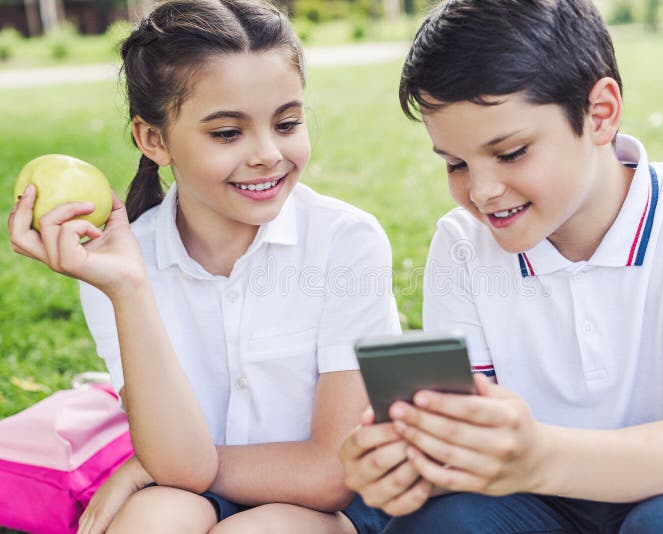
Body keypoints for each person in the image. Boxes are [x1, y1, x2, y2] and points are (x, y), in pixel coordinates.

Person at [338, 1, 663, 532]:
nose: (482, 192)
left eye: (511, 153)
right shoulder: (463, 244)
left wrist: (540, 455)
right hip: (533, 498)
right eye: (456, 164)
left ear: (600, 113)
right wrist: (404, 467)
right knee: (441, 522)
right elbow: (470, 453)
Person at [8, 1, 398, 532]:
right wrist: (128, 289)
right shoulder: (119, 264)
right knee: (151, 523)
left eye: (286, 123)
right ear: (153, 139)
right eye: (227, 133)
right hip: (188, 488)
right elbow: (178, 469)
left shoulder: (346, 243)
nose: (266, 153)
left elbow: (333, 471)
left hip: (328, 506)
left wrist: (161, 465)